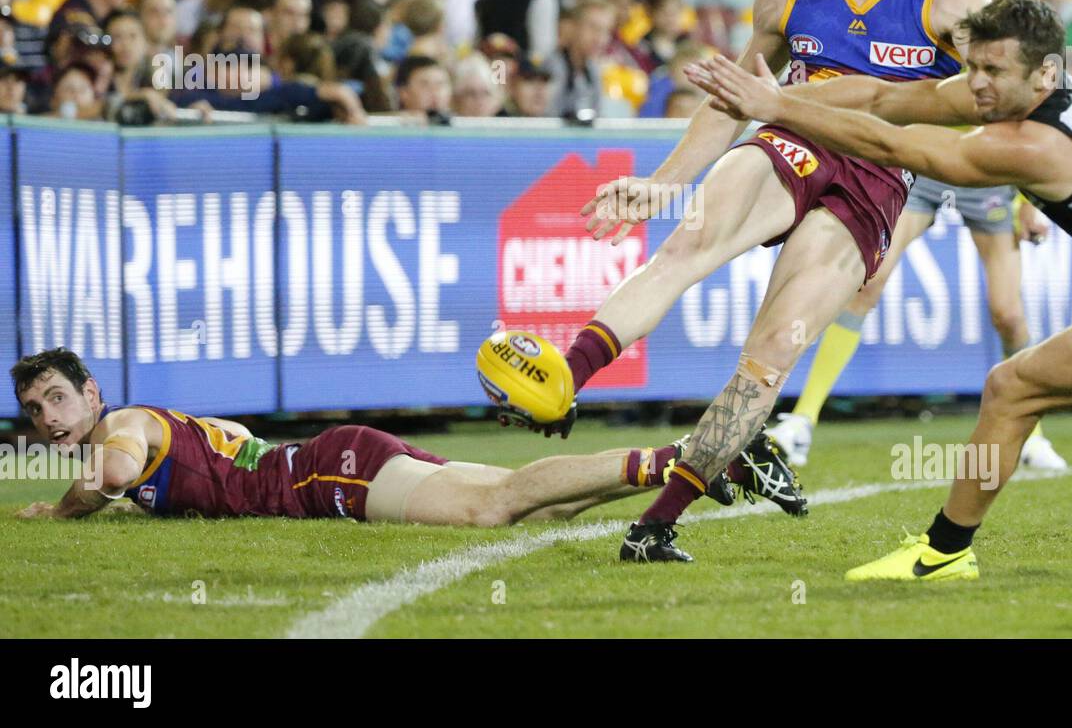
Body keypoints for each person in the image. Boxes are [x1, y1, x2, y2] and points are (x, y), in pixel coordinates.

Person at [696, 0, 1072, 581]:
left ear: (1044, 74)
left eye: (992, 71)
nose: (975, 83)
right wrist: (779, 100)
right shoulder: (1038, 94)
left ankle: (944, 552)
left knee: (1011, 388)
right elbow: (886, 95)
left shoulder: (1032, 144)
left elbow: (890, 143)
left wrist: (775, 104)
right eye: (972, 65)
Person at [543, 0, 987, 562]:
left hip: (877, 179)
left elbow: (1000, 93)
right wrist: (666, 180)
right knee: (688, 243)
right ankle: (563, 378)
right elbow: (734, 100)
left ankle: (657, 524)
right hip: (793, 141)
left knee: (775, 350)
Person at [766, 0, 1064, 472]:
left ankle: (1032, 434)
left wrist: (1028, 199)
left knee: (1008, 310)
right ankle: (803, 420)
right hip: (925, 161)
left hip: (987, 169)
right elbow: (885, 97)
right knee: (868, 284)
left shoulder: (996, 52)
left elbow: (1024, 120)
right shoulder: (924, 27)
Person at [10, 348, 751, 526]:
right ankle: (681, 466)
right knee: (532, 505)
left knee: (487, 508)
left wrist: (59, 509)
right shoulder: (151, 420)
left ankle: (682, 457)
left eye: (56, 398)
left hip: (327, 477)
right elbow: (235, 435)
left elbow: (110, 474)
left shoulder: (122, 428)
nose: (47, 418)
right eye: (34, 409)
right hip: (329, 458)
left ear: (93, 392)